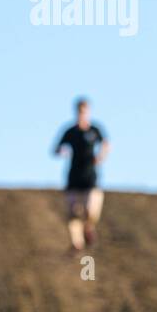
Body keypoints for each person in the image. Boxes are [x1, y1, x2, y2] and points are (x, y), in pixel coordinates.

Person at [53, 97, 111, 250]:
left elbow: (106, 143)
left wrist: (102, 155)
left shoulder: (95, 130)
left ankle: (88, 227)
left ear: (88, 111)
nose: (81, 114)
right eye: (79, 111)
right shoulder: (70, 132)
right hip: (73, 177)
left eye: (84, 111)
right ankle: (76, 243)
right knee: (73, 213)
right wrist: (62, 151)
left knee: (90, 211)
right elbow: (56, 149)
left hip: (90, 177)